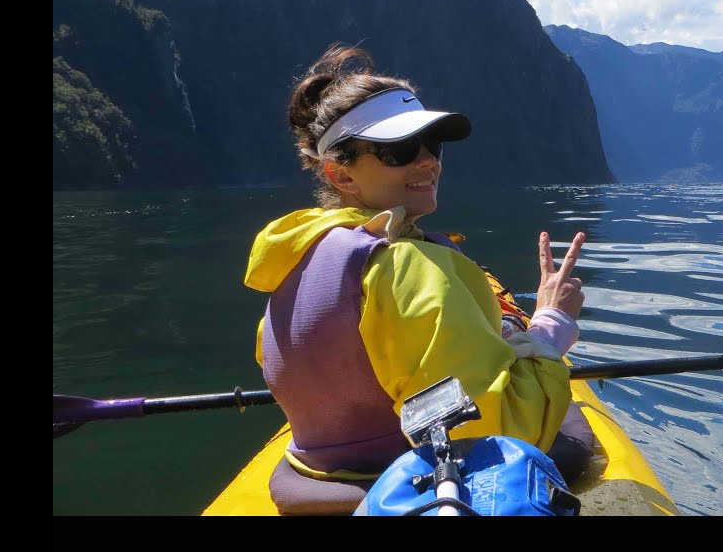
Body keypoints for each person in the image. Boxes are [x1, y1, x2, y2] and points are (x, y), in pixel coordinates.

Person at [245, 43, 591, 514]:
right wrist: (551, 326)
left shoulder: (296, 255)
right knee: (572, 427)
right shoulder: (410, 267)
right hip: (401, 484)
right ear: (339, 174)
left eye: (433, 146)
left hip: (311, 477)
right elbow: (498, 433)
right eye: (400, 150)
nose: (428, 162)